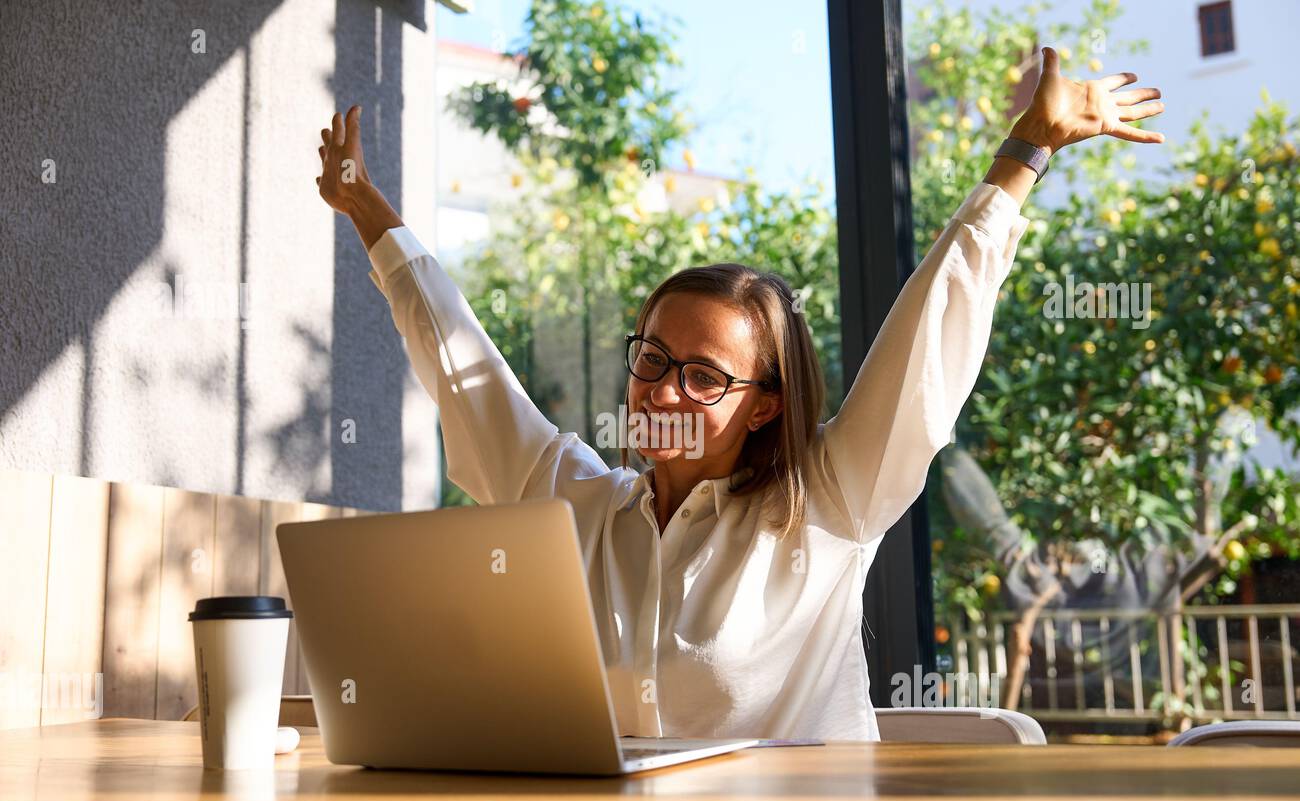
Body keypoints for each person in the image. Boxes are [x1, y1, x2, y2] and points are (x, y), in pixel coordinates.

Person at [314, 46, 1164, 741]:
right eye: (652, 359)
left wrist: (1025, 152)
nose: (665, 392)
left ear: (764, 401)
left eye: (704, 376)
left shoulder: (827, 502)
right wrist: (363, 207)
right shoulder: (566, 500)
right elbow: (463, 365)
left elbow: (927, 343)